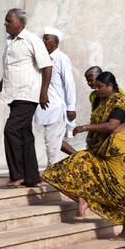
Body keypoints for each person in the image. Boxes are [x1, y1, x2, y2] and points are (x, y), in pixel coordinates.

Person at [40, 71, 125, 235]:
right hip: (100, 150)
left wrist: (85, 128)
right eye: (96, 86)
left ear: (110, 86)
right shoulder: (100, 100)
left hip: (120, 152)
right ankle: (84, 199)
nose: (96, 89)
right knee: (77, 163)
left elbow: (111, 125)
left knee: (118, 191)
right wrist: (91, 137)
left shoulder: (120, 102)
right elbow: (96, 119)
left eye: (100, 86)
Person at [0, 9, 52, 190]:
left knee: (11, 130)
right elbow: (11, 71)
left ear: (21, 23)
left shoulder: (32, 40)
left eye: (9, 21)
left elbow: (47, 67)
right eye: (5, 21)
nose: (6, 24)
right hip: (13, 95)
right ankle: (32, 178)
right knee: (24, 135)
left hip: (28, 94)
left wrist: (43, 92)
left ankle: (17, 175)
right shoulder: (10, 43)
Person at [34, 29, 77, 167]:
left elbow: (69, 83)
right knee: (54, 142)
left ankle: (52, 171)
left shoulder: (61, 58)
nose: (44, 42)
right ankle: (80, 160)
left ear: (55, 42)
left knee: (52, 143)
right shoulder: (42, 58)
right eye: (43, 39)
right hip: (45, 107)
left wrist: (71, 107)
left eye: (47, 39)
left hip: (57, 106)